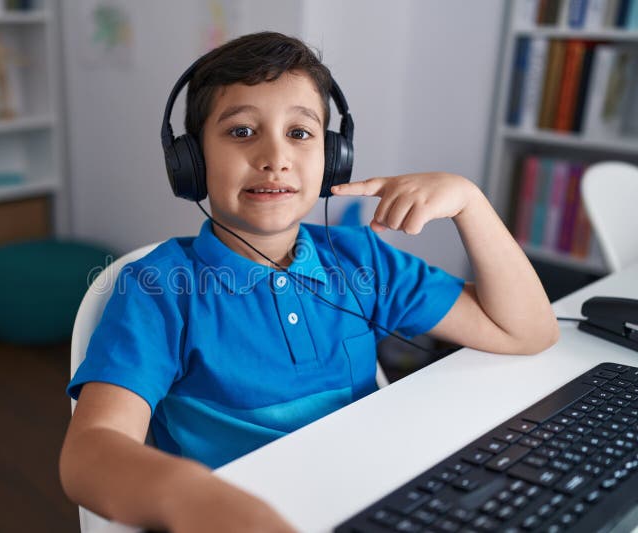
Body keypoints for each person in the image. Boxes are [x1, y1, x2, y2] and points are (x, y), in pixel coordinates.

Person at [59, 32, 559, 532]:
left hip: (376, 502)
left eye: (299, 133)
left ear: (333, 157)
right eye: (240, 132)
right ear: (190, 163)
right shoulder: (159, 290)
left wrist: (471, 205)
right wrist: (192, 498)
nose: (274, 157)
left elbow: (526, 331)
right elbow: (89, 452)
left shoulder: (361, 259)